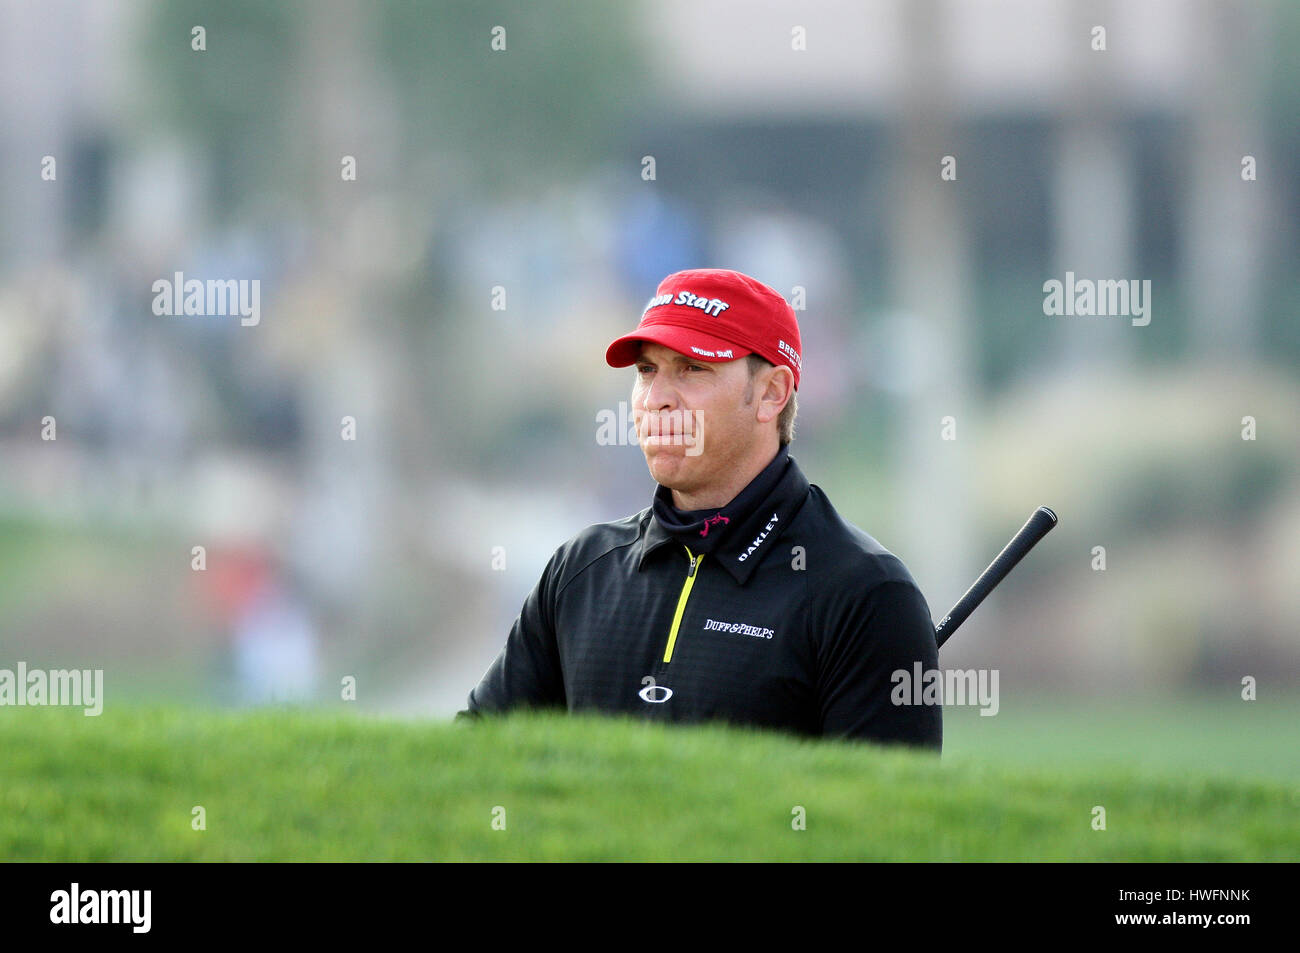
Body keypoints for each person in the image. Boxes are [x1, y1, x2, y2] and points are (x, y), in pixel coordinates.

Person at [459, 268, 941, 750]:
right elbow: (474, 762)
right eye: (647, 370)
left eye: (693, 368)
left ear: (772, 393)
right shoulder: (580, 569)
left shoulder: (866, 594)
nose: (657, 401)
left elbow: (882, 820)